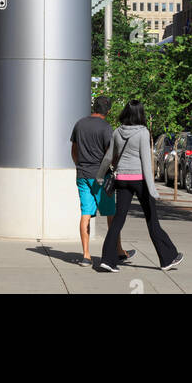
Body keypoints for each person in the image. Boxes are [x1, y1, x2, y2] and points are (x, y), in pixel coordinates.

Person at [97, 99, 183, 273]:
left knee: (118, 221)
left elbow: (108, 157)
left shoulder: (117, 132)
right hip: (139, 181)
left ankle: (107, 259)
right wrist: (152, 189)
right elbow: (146, 162)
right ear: (140, 113)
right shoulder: (143, 133)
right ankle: (167, 258)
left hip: (121, 179)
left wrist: (99, 176)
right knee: (152, 221)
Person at [70, 96, 129, 267]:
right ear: (108, 111)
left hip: (82, 175)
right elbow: (111, 155)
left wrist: (80, 166)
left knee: (85, 214)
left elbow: (74, 150)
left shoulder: (79, 124)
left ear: (93, 107)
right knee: (111, 215)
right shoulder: (106, 128)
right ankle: (117, 250)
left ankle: (86, 255)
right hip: (102, 176)